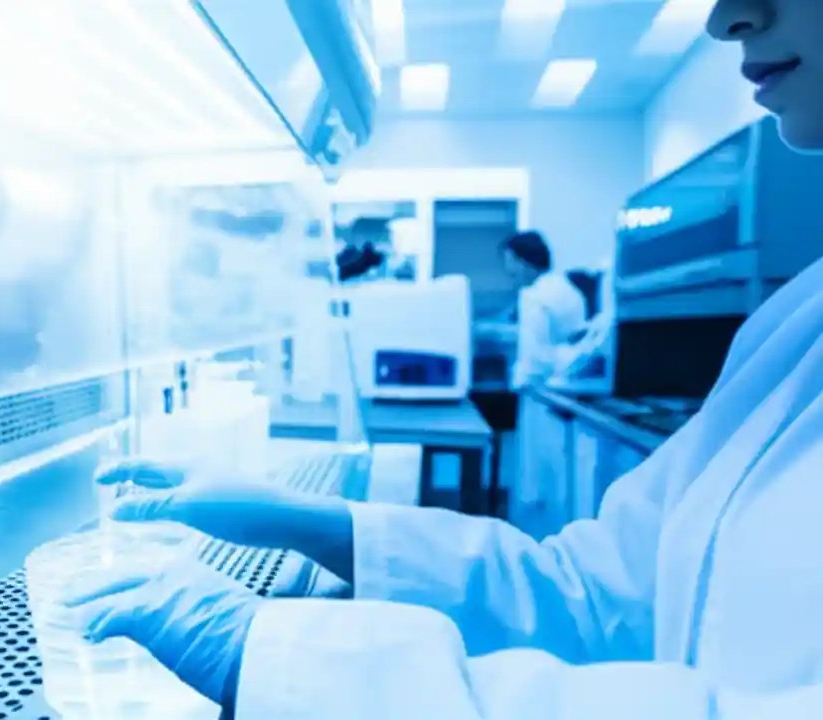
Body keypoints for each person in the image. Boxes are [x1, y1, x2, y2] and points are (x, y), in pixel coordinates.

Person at [64, 0, 823, 717]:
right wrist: (322, 524)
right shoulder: (795, 326)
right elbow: (589, 597)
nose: (726, 18)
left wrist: (272, 654)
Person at [500, 231, 588, 390]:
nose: (512, 279)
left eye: (513, 274)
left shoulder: (533, 296)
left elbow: (534, 360)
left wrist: (518, 383)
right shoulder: (570, 290)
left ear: (523, 264)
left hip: (542, 390)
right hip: (571, 383)